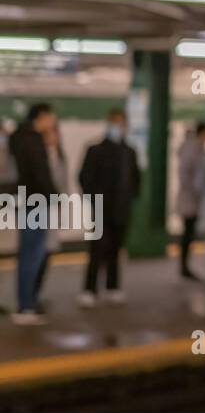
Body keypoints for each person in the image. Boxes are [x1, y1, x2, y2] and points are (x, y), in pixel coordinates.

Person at [77, 109, 141, 307]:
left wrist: (129, 198)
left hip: (121, 209)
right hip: (101, 209)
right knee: (97, 250)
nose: (118, 127)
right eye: (115, 123)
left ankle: (113, 286)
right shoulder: (95, 150)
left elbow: (136, 179)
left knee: (115, 249)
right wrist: (94, 199)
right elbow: (84, 177)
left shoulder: (129, 152)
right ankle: (89, 289)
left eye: (121, 123)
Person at [10, 104, 58, 325]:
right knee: (32, 255)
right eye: (51, 118)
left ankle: (27, 302)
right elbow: (41, 174)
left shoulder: (18, 137)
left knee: (28, 254)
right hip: (37, 202)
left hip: (25, 201)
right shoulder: (34, 141)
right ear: (42, 117)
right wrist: (55, 197)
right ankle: (26, 306)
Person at [176, 122, 205, 281]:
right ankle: (184, 267)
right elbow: (185, 174)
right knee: (187, 233)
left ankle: (185, 266)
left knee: (189, 233)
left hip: (194, 198)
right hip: (189, 198)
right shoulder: (192, 149)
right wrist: (194, 189)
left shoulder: (199, 149)